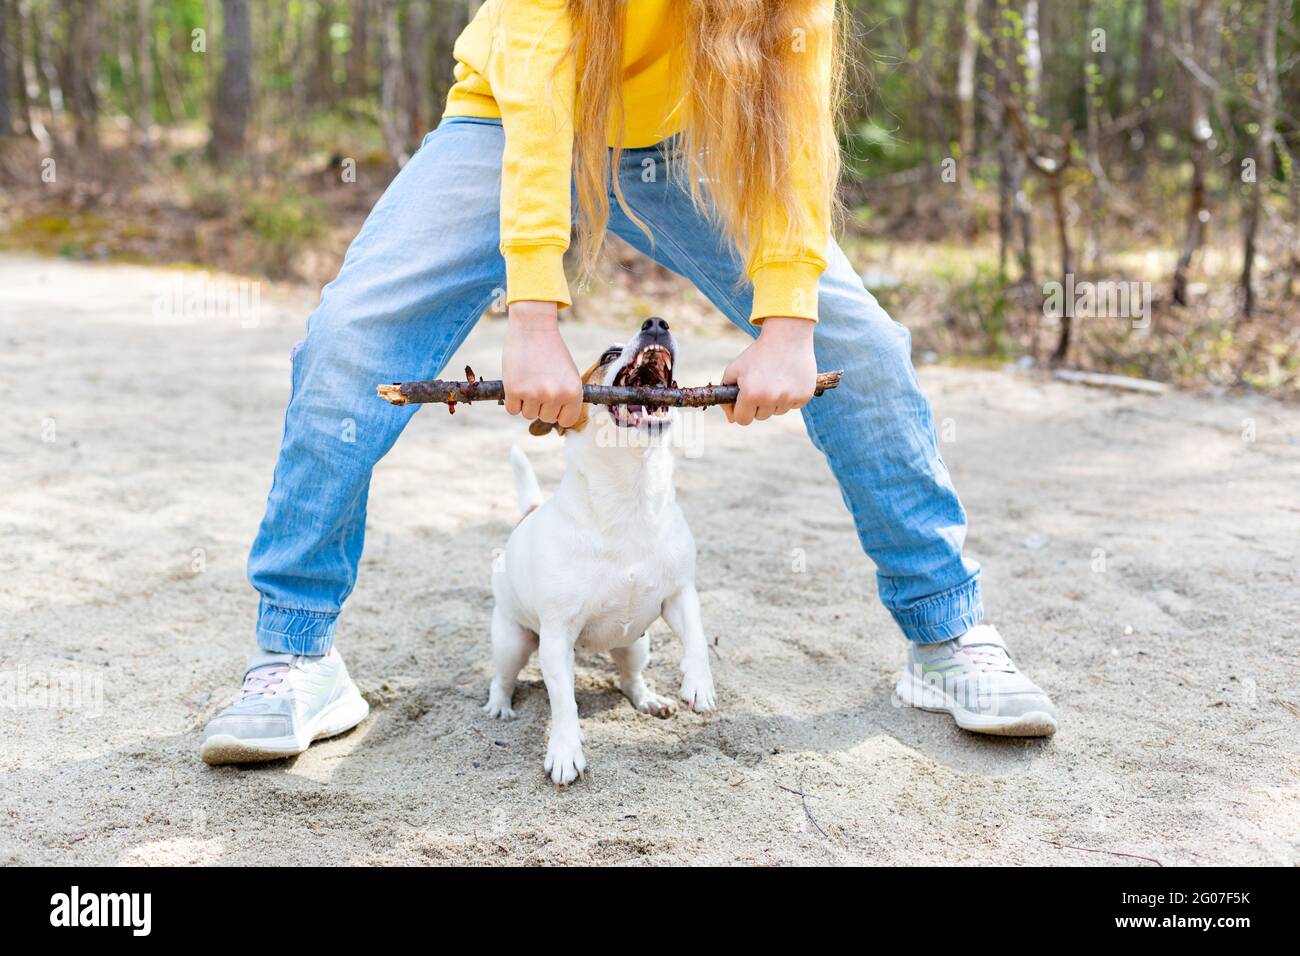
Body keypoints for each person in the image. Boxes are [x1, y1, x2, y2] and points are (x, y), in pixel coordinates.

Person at [199, 0, 1057, 765]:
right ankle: (296, 655)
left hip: (698, 137)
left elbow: (795, 121)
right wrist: (532, 314)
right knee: (346, 340)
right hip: (512, 120)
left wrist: (790, 322)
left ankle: (946, 635)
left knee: (864, 348)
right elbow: (538, 78)